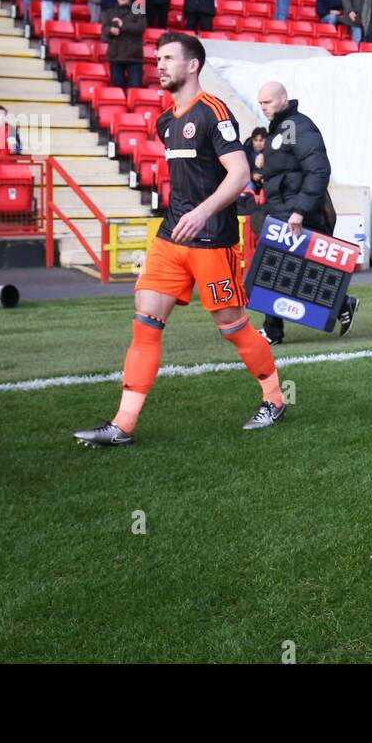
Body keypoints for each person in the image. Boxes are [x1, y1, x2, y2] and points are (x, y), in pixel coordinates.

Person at [74, 32, 286, 446]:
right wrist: (184, 215)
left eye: (169, 58)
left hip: (212, 240)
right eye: (158, 58)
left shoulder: (213, 112)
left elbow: (240, 174)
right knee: (145, 324)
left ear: (193, 65)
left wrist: (203, 211)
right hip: (171, 237)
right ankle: (123, 425)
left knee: (233, 327)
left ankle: (274, 399)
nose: (160, 64)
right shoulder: (166, 119)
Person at [248, 81, 357, 344]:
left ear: (284, 99)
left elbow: (318, 170)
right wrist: (265, 165)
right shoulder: (281, 129)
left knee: (275, 270)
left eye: (268, 102)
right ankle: (342, 304)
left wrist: (299, 211)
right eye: (260, 103)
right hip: (283, 210)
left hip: (298, 213)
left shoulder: (297, 126)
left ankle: (273, 331)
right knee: (288, 270)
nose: (263, 107)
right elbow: (289, 166)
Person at [103, 0, 146, 89]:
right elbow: (104, 29)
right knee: (117, 87)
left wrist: (123, 26)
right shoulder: (111, 11)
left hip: (134, 56)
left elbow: (140, 28)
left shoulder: (138, 10)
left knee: (135, 87)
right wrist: (110, 30)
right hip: (115, 55)